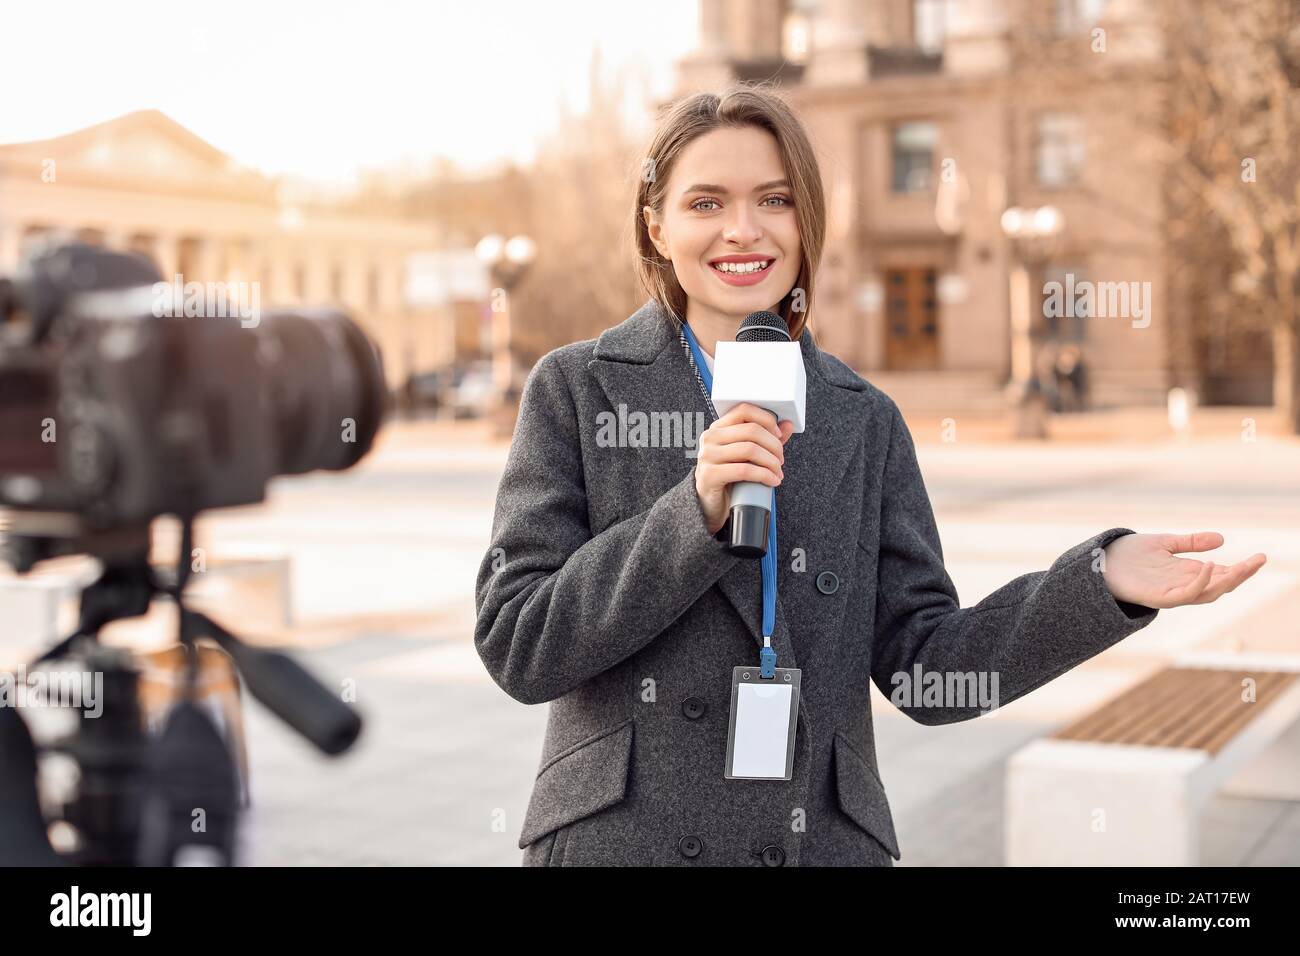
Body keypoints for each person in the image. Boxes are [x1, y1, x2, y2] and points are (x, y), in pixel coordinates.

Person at [473, 84, 1268, 867]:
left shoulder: (864, 418)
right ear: (657, 225)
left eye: (775, 200)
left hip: (815, 843)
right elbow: (520, 644)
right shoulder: (578, 389)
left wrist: (1100, 585)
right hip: (623, 843)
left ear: (807, 221)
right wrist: (693, 514)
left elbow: (928, 671)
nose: (742, 230)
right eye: (706, 203)